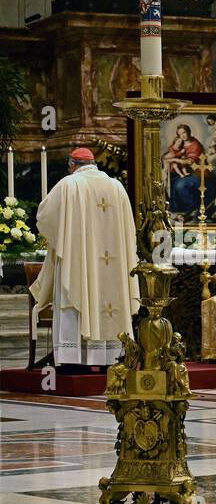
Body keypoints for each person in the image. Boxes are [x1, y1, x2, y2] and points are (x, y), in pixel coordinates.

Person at [30, 147, 139, 371]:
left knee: (76, 297)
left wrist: (61, 238)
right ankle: (111, 359)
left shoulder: (69, 184)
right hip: (114, 267)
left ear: (72, 165)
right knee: (111, 300)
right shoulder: (117, 187)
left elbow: (44, 217)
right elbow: (129, 229)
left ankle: (74, 361)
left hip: (78, 263)